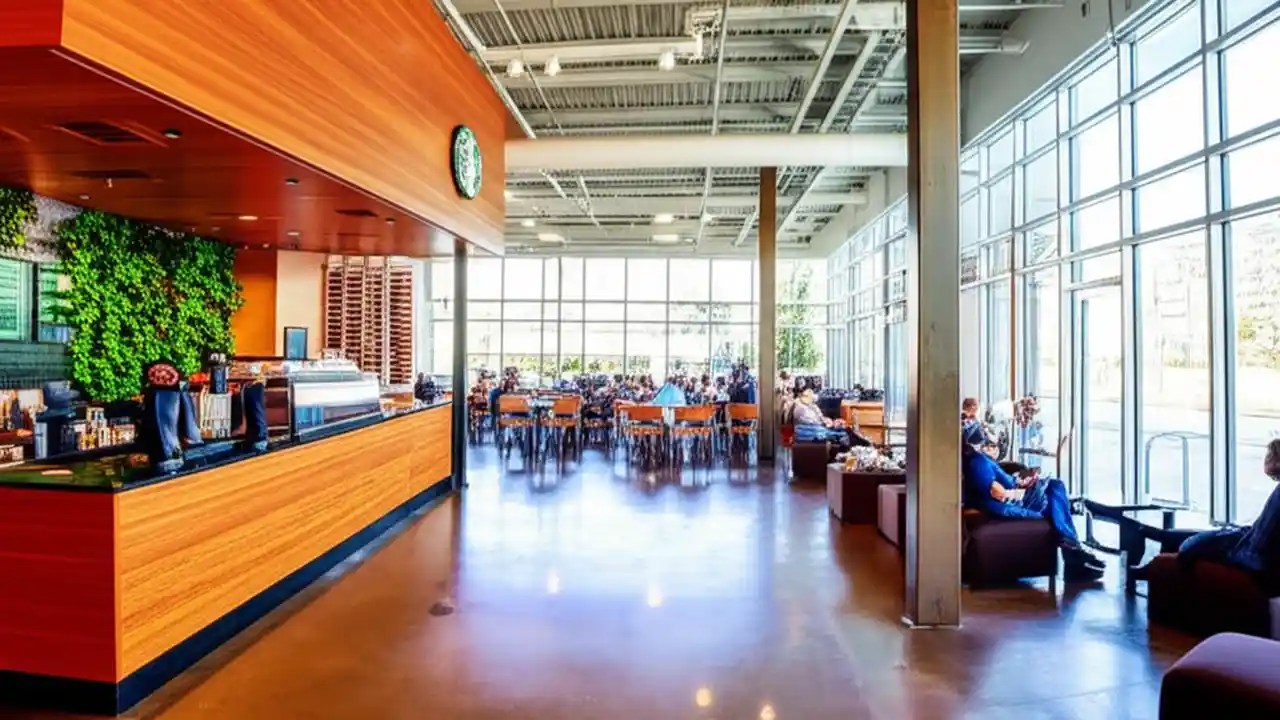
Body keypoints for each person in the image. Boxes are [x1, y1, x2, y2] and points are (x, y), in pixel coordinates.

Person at [962, 422, 1105, 581]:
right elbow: (998, 493)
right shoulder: (978, 462)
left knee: (1054, 490)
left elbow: (1000, 485)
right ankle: (1071, 547)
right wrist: (1023, 493)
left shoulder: (979, 460)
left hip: (1014, 496)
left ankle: (1071, 548)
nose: (993, 446)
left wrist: (1022, 482)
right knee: (1055, 489)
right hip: (1012, 503)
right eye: (989, 443)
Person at [1177, 439, 1280, 579]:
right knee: (1195, 538)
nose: (1266, 460)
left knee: (1188, 545)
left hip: (1250, 552)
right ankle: (1160, 536)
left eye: (1270, 456)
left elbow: (1259, 545)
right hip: (1250, 542)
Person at [792, 390, 870, 451]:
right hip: (817, 430)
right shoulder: (802, 409)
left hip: (819, 428)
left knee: (846, 429)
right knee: (845, 431)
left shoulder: (809, 406)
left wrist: (829, 421)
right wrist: (829, 423)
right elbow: (814, 423)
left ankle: (864, 443)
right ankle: (864, 444)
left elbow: (819, 419)